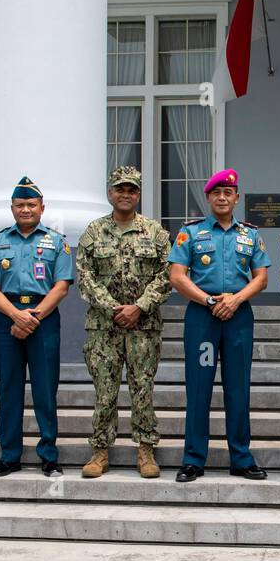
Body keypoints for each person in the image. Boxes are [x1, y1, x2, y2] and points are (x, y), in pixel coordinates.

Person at [167, 168, 271, 483]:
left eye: (228, 193)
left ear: (236, 198)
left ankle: (241, 458)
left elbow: (261, 278)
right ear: (208, 198)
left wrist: (235, 300)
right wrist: (210, 301)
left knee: (238, 389)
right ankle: (193, 459)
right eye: (216, 193)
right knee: (199, 388)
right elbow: (177, 276)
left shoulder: (250, 235)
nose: (222, 198)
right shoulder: (190, 233)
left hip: (238, 317)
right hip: (203, 317)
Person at [76, 166, 172, 479]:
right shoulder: (94, 231)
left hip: (143, 326)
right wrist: (114, 308)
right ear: (110, 193)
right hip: (104, 326)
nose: (125, 194)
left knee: (142, 389)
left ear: (139, 194)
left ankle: (146, 449)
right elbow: (85, 276)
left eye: (131, 190)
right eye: (120, 189)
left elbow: (168, 275)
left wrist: (139, 307)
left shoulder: (155, 232)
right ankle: (100, 450)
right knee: (105, 391)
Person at [0, 177, 74, 477]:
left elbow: (61, 286)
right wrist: (15, 316)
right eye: (20, 205)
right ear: (12, 208)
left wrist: (32, 318)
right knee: (9, 390)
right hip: (7, 316)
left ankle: (48, 456)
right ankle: (9, 456)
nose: (25, 210)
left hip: (44, 318)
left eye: (31, 205)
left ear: (42, 208)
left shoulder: (57, 242)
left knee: (45, 390)